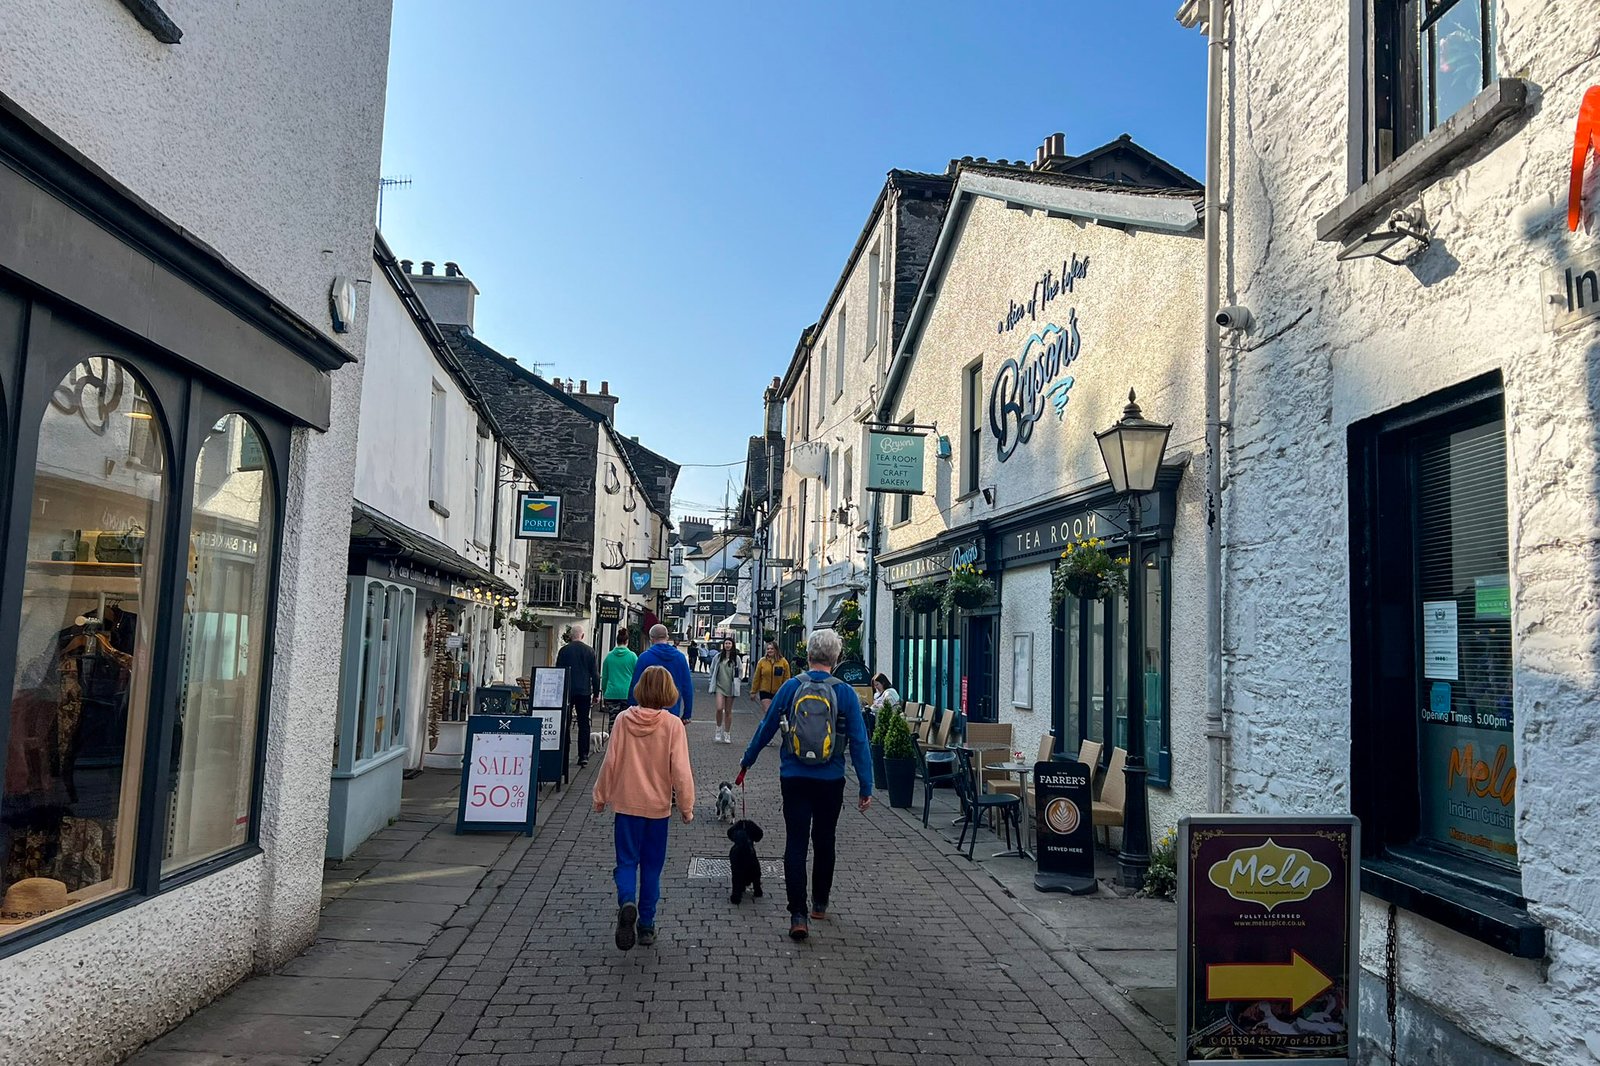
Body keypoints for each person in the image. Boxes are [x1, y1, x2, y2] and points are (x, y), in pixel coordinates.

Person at [737, 629, 872, 942]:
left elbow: (766, 727)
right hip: (831, 779)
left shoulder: (791, 687)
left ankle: (797, 913)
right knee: (825, 840)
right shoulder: (845, 693)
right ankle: (820, 904)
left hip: (794, 776)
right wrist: (866, 786)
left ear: (809, 655)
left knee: (795, 843)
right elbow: (860, 742)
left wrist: (748, 760)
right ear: (835, 658)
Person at [592, 665, 694, 951]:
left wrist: (601, 795)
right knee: (651, 867)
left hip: (626, 805)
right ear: (668, 691)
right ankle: (646, 925)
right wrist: (686, 806)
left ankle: (626, 900)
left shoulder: (624, 720)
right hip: (658, 809)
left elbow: (610, 761)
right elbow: (681, 771)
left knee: (626, 862)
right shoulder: (673, 725)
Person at [555, 624, 601, 769]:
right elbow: (595, 674)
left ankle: (564, 754)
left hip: (567, 691)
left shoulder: (564, 651)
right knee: (583, 723)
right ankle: (583, 756)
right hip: (584, 691)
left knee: (565, 723)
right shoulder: (589, 651)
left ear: (571, 636)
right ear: (582, 636)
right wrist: (596, 693)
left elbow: (558, 671)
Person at [628, 624, 695, 721]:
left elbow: (635, 685)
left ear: (651, 638)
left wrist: (631, 708)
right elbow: (687, 687)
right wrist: (687, 714)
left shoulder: (644, 657)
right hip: (672, 712)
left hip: (647, 713)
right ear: (667, 637)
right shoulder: (680, 658)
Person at [705, 636, 741, 745]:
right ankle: (718, 729)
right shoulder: (718, 657)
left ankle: (727, 733)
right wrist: (711, 681)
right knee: (719, 708)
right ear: (723, 645)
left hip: (731, 687)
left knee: (728, 711)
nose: (727, 645)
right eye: (726, 644)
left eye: (729, 643)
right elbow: (712, 669)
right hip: (719, 686)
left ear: (732, 645)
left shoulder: (736, 658)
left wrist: (737, 683)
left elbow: (739, 672)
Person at [601, 627, 638, 727]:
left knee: (613, 722)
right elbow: (637, 676)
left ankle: (613, 741)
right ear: (627, 641)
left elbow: (605, 677)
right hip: (627, 694)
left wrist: (604, 692)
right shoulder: (633, 656)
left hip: (612, 693)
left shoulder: (609, 657)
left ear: (616, 641)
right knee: (627, 723)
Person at [753, 640, 792, 716]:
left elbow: (787, 678)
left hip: (778, 691)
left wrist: (786, 692)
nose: (769, 650)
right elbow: (757, 677)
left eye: (772, 649)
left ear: (776, 650)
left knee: (776, 713)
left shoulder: (783, 662)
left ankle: (771, 726)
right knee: (768, 711)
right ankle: (767, 726)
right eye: (768, 649)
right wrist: (753, 691)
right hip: (765, 691)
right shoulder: (762, 662)